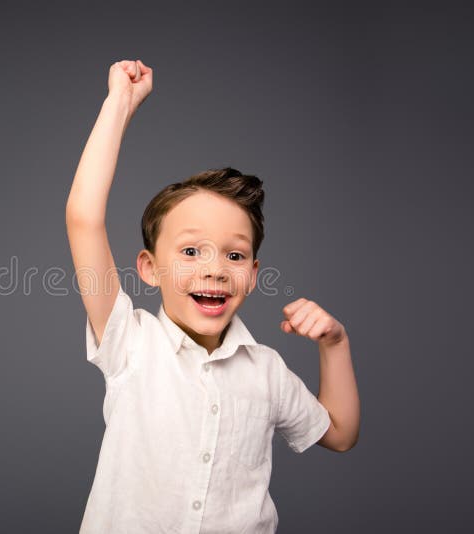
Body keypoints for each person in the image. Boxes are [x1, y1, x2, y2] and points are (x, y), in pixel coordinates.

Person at [66, 59, 360, 534]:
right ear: (149, 268)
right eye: (190, 250)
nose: (215, 270)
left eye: (235, 256)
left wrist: (335, 344)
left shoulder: (266, 371)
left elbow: (341, 434)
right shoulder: (131, 343)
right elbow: (83, 217)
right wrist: (119, 103)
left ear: (253, 274)